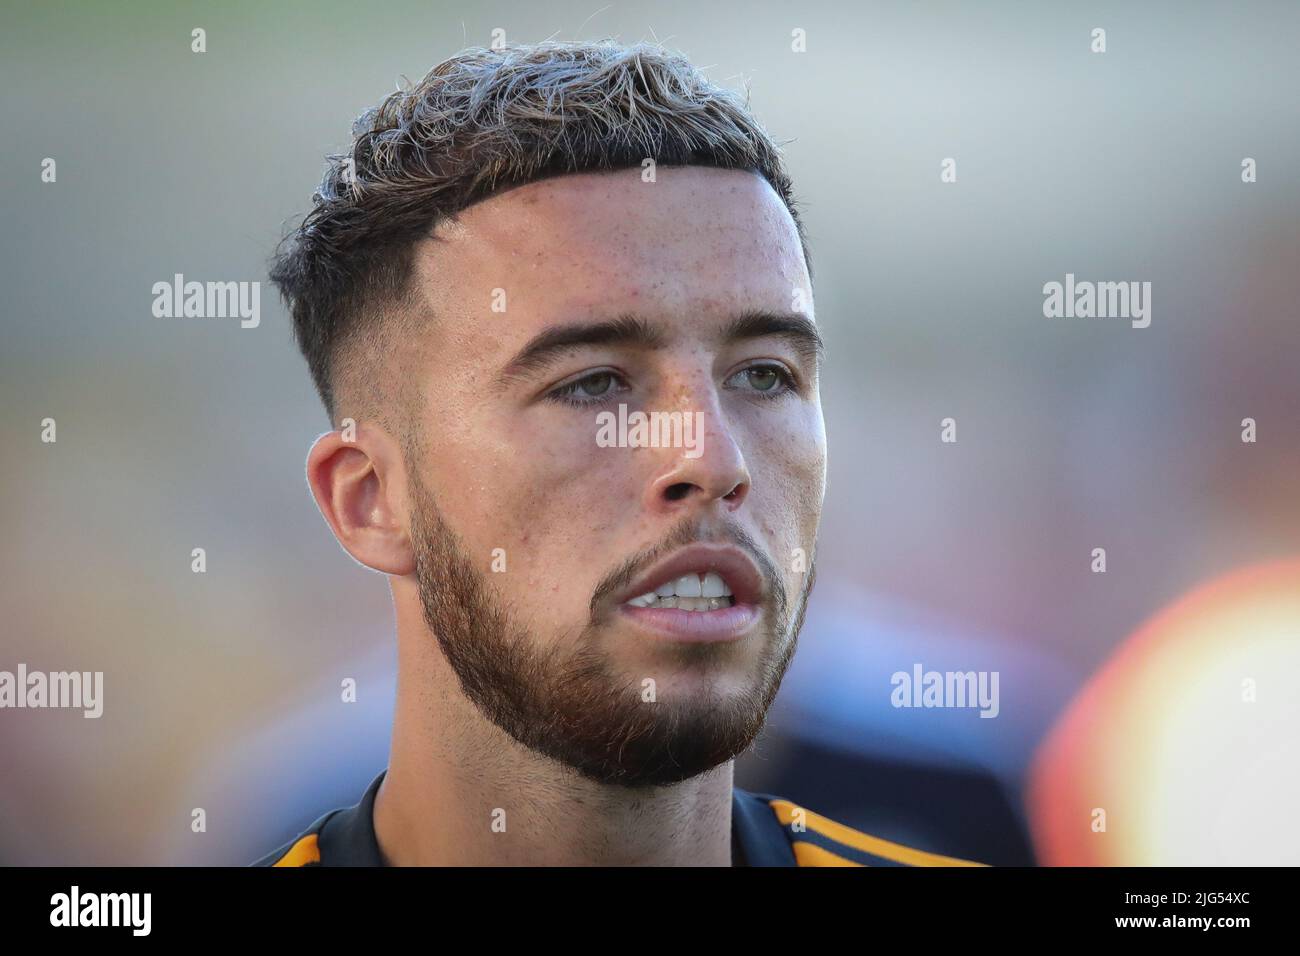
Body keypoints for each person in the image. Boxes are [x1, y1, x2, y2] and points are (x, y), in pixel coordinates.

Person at [255, 39, 984, 867]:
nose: (711, 460)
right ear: (370, 499)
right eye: (594, 385)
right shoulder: (270, 789)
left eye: (765, 376)